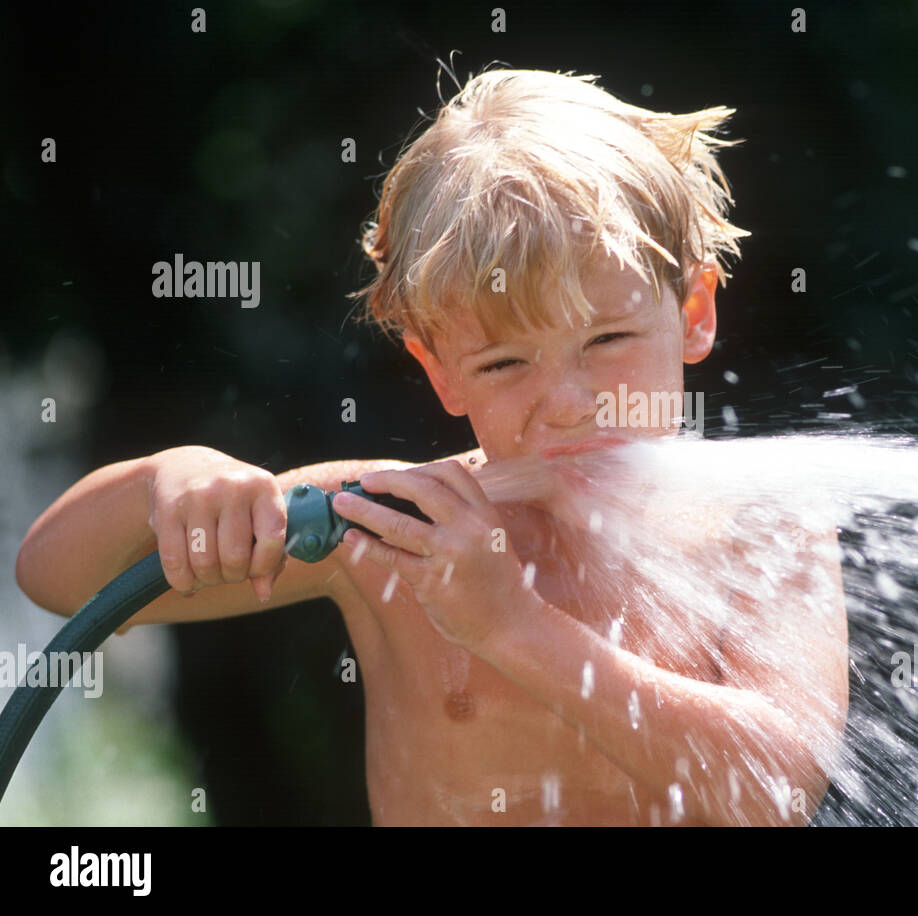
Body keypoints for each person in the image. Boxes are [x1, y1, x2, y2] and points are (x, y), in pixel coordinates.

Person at [15, 68, 848, 826]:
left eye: (608, 340)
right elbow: (58, 579)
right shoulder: (390, 526)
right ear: (440, 370)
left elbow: (771, 793)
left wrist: (510, 626)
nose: (567, 403)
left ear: (695, 309)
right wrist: (171, 481)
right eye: (505, 361)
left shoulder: (760, 531)